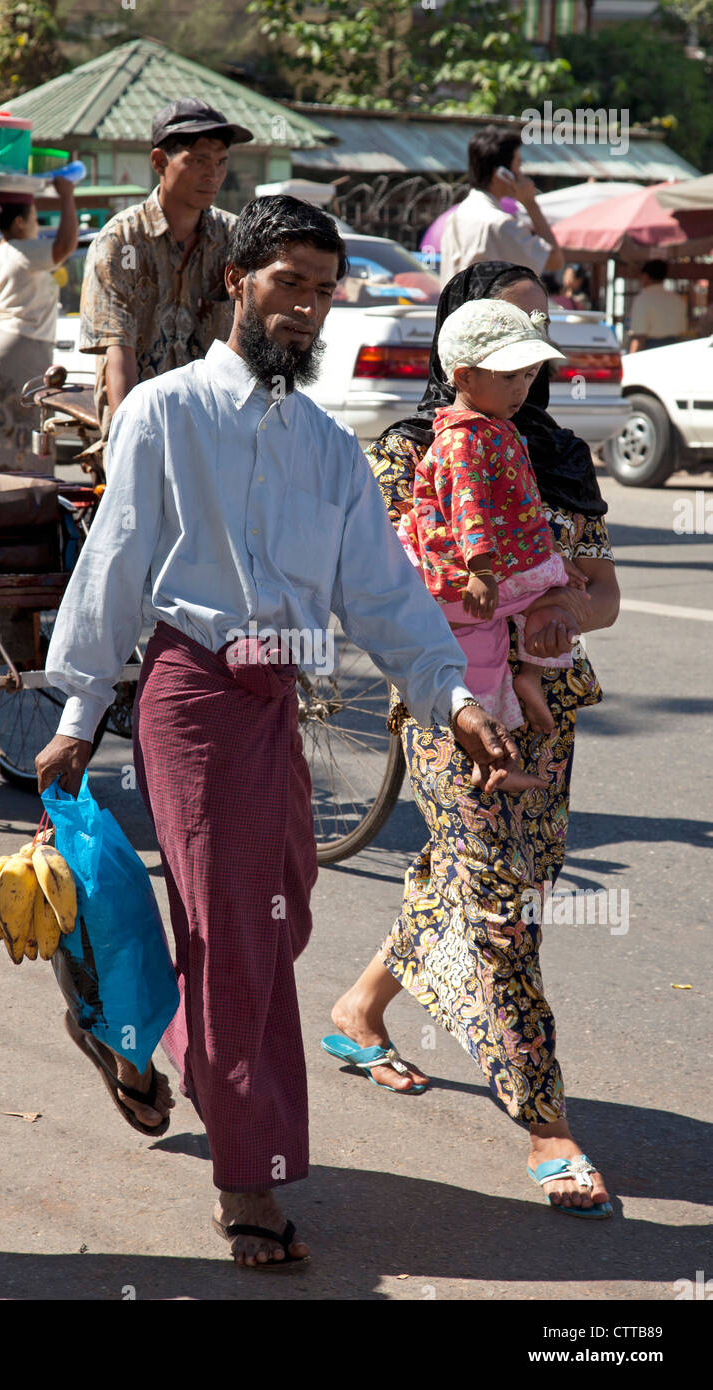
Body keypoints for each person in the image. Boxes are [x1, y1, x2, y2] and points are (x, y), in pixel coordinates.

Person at [36, 197, 521, 1268]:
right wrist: (77, 709)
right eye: (285, 282)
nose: (303, 307)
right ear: (235, 284)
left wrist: (451, 694)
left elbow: (385, 592)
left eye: (320, 289)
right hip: (190, 702)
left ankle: (130, 1023)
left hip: (278, 709)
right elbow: (116, 562)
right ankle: (247, 1178)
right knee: (239, 940)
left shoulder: (327, 449)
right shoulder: (162, 413)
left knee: (276, 915)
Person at [323, 260, 621, 1218]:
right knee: (499, 908)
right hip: (453, 705)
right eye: (514, 336)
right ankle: (545, 1124)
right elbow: (375, 588)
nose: (536, 360)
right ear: (462, 350)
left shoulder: (561, 456)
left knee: (490, 877)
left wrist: (563, 611)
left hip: (548, 704)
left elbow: (601, 590)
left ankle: (358, 1010)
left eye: (541, 337)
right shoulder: (412, 451)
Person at [399, 297, 587, 746]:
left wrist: (554, 562)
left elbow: (517, 510)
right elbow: (470, 511)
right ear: (464, 376)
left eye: (528, 376)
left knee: (523, 627)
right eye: (509, 377)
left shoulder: (492, 426)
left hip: (494, 575)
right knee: (485, 656)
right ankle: (492, 735)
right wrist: (482, 571)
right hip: (473, 580)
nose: (522, 389)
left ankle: (526, 684)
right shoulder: (462, 439)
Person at [79, 98, 253, 439]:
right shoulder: (120, 241)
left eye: (221, 162)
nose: (213, 174)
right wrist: (134, 443)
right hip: (140, 423)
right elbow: (119, 353)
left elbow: (250, 344)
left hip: (214, 430)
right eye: (198, 161)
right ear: (160, 161)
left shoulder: (235, 240)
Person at [0, 178, 79, 473]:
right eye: (34, 218)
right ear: (19, 222)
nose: (38, 226)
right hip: (21, 345)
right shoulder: (24, 251)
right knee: (31, 433)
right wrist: (67, 197)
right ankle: (28, 507)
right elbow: (65, 246)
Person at [440, 126, 563, 287]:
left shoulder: (456, 216)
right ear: (503, 174)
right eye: (518, 164)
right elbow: (555, 260)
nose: (521, 173)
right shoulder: (500, 224)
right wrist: (530, 204)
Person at [627, 259, 688, 352]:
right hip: (676, 349)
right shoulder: (677, 299)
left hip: (651, 350)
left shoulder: (643, 299)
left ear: (645, 276)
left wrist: (630, 359)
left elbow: (639, 337)